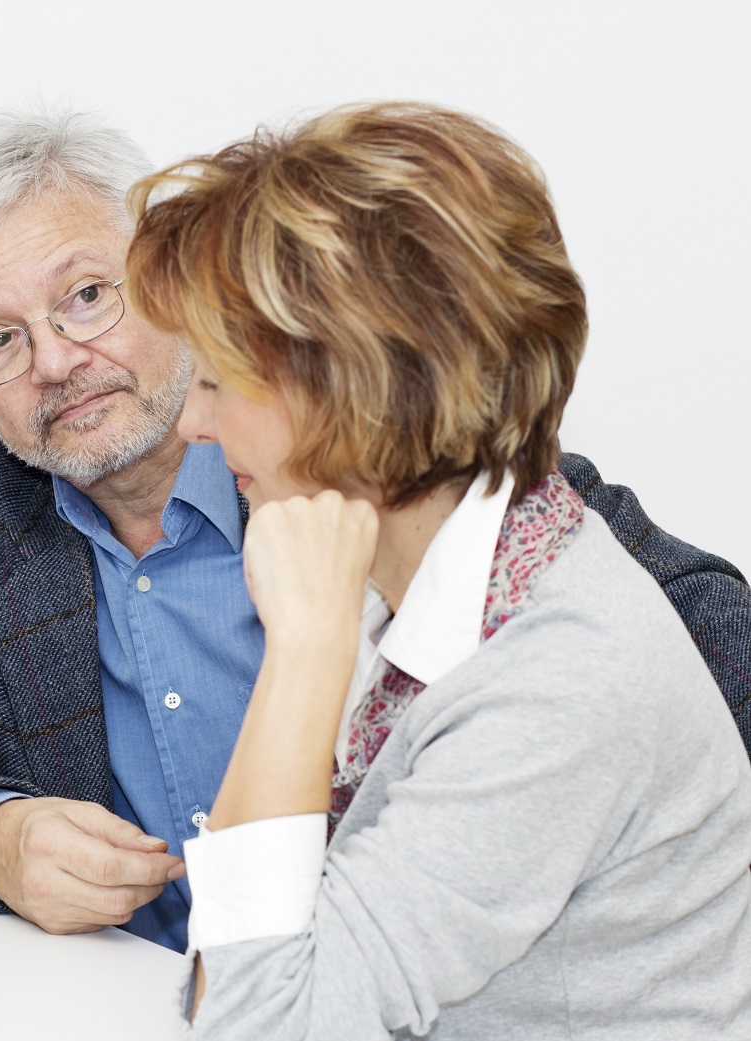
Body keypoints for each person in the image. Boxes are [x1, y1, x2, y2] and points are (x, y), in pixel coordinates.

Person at [0, 105, 751, 954]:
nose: (58, 359)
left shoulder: (366, 451)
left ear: (166, 283)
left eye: (87, 295)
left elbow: (687, 637)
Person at [125, 100, 751, 1036]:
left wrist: (303, 655)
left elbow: (262, 1026)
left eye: (216, 379)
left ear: (349, 382)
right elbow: (247, 974)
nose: (193, 427)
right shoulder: (416, 574)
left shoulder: (559, 682)